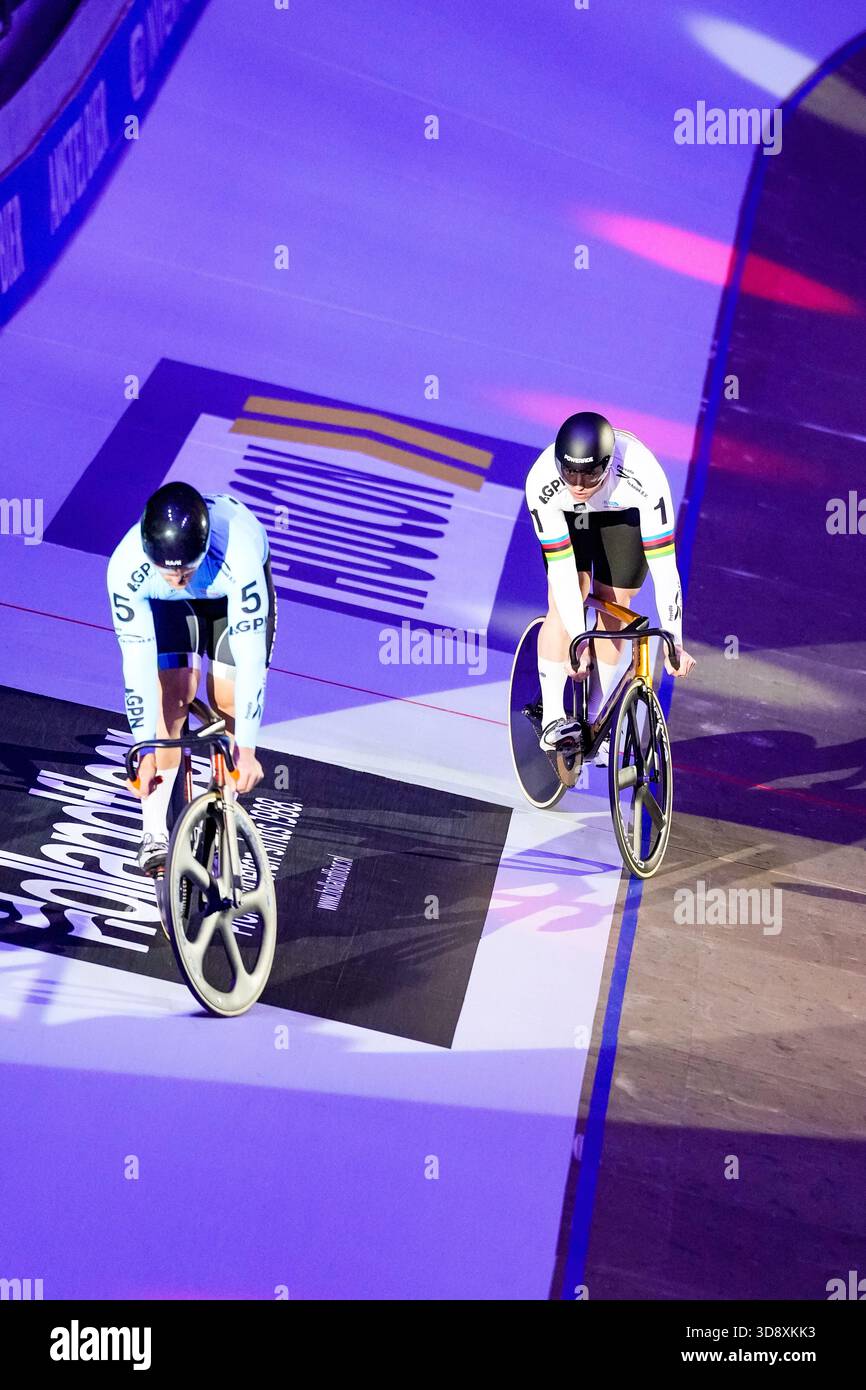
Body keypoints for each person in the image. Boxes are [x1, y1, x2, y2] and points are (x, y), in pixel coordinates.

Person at [107, 482, 277, 873]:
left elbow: (252, 658)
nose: (178, 578)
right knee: (172, 693)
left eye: (186, 569)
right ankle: (153, 829)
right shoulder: (126, 567)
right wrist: (143, 749)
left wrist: (247, 749)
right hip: (172, 610)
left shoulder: (239, 555)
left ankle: (228, 801)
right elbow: (136, 662)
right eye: (168, 570)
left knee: (228, 697)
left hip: (226, 600)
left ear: (200, 552)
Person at [525, 411, 696, 762]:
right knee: (565, 594)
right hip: (569, 518)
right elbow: (561, 571)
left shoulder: (645, 477)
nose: (578, 483)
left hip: (623, 514)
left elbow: (666, 570)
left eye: (589, 473)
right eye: (569, 471)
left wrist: (675, 641)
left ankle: (595, 719)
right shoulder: (542, 482)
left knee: (616, 603)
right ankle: (554, 720)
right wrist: (577, 640)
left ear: (607, 464)